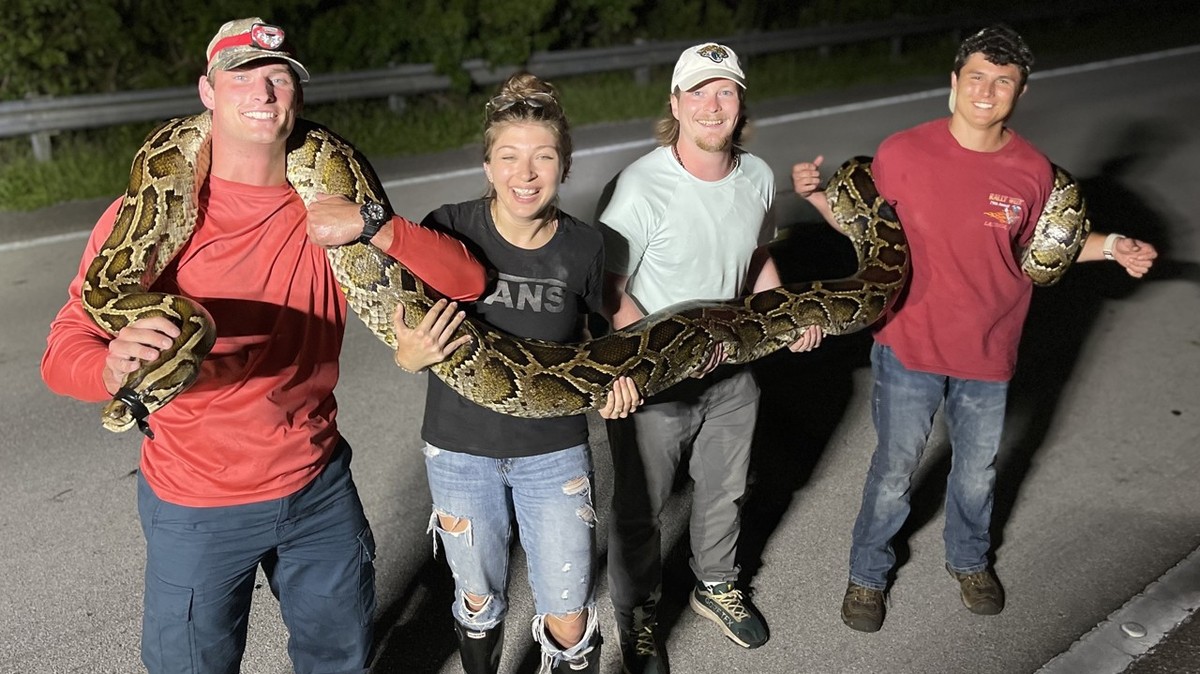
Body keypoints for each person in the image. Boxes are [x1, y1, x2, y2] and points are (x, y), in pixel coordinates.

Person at [41, 17, 488, 674]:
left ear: (297, 96)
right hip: (196, 505)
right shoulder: (145, 215)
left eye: (277, 76)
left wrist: (377, 226)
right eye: (241, 75)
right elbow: (61, 351)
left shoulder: (335, 210)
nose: (262, 92)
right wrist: (110, 368)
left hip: (318, 487)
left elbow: (466, 283)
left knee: (342, 661)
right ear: (206, 91)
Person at [793, 24, 1158, 634]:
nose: (987, 92)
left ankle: (969, 560)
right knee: (893, 470)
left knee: (977, 471)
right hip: (907, 344)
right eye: (978, 78)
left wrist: (1114, 245)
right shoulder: (902, 152)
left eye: (1004, 82)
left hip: (989, 350)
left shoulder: (1035, 173)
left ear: (1020, 93)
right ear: (954, 83)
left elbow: (1049, 248)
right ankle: (867, 573)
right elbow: (868, 231)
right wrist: (817, 198)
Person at [369, 72, 641, 674]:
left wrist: (623, 385)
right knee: (477, 596)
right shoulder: (447, 227)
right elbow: (405, 326)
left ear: (564, 167)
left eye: (543, 157)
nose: (526, 173)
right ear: (488, 166)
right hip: (459, 449)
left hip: (555, 452)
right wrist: (404, 355)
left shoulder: (585, 247)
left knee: (569, 609)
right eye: (509, 157)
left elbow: (598, 341)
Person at [597, 43, 824, 672]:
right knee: (640, 511)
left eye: (724, 91)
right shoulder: (639, 187)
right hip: (657, 387)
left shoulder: (755, 175)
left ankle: (715, 585)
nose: (711, 105)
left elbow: (756, 258)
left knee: (725, 494)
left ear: (741, 103)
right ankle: (638, 618)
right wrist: (665, 358)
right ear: (674, 104)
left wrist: (788, 317)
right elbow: (610, 291)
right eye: (696, 91)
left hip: (733, 375)